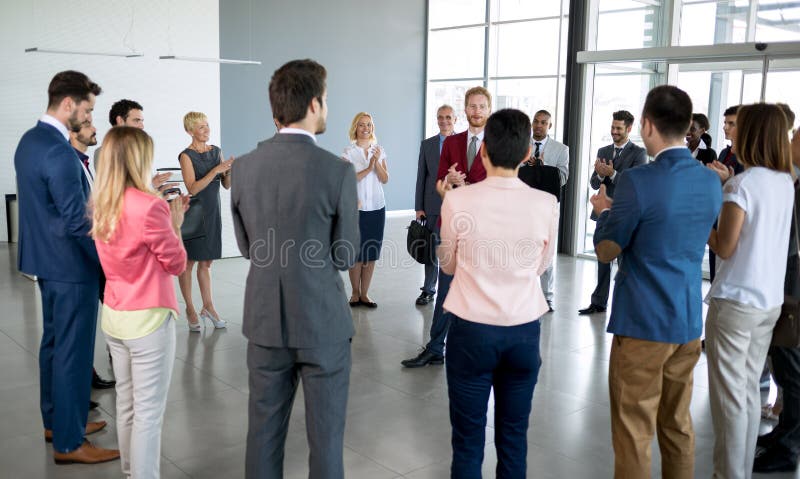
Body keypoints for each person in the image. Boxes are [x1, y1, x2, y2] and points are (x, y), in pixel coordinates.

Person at [231, 59, 359, 479]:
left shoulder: (243, 167)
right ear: (315, 103)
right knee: (326, 442)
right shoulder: (337, 171)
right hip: (323, 321)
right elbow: (345, 256)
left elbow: (248, 248)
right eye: (326, 101)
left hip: (266, 320)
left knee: (262, 435)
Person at [590, 85, 721, 478]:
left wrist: (602, 214)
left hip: (643, 325)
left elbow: (607, 250)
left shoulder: (637, 181)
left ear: (646, 125)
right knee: (677, 425)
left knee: (634, 429)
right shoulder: (710, 181)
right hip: (686, 323)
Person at [439, 108, 558, 477]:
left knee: (468, 440)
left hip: (471, 331)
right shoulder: (546, 204)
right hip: (523, 331)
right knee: (513, 437)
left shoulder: (458, 200)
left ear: (483, 151)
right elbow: (542, 265)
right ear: (527, 154)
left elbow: (447, 264)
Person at [14, 70, 119, 464]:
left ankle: (57, 421)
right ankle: (70, 443)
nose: (88, 116)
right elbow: (78, 222)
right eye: (88, 109)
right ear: (69, 104)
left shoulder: (29, 141)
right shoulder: (59, 150)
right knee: (73, 355)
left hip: (43, 261)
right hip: (71, 267)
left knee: (54, 346)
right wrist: (109, 260)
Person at [92, 126, 188, 479]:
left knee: (128, 406)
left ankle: (132, 473)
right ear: (138, 160)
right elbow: (176, 264)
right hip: (148, 320)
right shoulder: (150, 207)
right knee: (149, 413)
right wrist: (175, 223)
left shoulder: (102, 202)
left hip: (115, 316)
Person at [703, 103, 794, 479]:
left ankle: (730, 474)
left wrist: (697, 221)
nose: (733, 133)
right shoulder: (784, 180)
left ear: (753, 135)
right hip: (768, 302)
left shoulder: (743, 185)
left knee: (730, 402)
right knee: (746, 396)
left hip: (736, 303)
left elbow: (724, 246)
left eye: (740, 128)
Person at [401, 86, 492, 368]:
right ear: (464, 110)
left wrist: (465, 186)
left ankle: (477, 351)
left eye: (481, 106)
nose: (476, 111)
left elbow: (499, 188)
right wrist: (449, 183)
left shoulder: (498, 146)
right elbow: (438, 183)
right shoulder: (452, 143)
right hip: (450, 227)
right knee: (446, 288)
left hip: (482, 231)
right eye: (471, 106)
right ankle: (435, 347)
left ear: (488, 110)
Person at [754, 124, 800, 474]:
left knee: (794, 371)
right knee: (785, 366)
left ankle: (788, 449)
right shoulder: (792, 182)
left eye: (795, 138)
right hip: (783, 288)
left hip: (794, 292)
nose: (789, 143)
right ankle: (784, 434)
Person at [578, 110, 647, 315]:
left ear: (629, 129)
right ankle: (598, 302)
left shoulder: (639, 153)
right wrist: (600, 175)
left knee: (624, 262)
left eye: (619, 128)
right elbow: (593, 183)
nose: (614, 131)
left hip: (626, 215)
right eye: (613, 127)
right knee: (602, 259)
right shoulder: (603, 150)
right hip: (602, 213)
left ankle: (625, 304)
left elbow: (636, 185)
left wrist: (613, 174)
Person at [69, 120, 116, 395]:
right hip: (85, 257)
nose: (95, 128)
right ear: (73, 131)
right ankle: (80, 387)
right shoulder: (71, 165)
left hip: (96, 251)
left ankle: (88, 374)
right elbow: (77, 220)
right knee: (78, 328)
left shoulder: (84, 164)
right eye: (88, 124)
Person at [177, 111, 234, 331]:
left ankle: (208, 306)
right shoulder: (186, 156)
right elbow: (193, 188)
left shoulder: (216, 151)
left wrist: (229, 171)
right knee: (189, 263)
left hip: (213, 212)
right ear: (190, 131)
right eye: (201, 127)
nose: (206, 130)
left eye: (207, 125)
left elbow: (226, 185)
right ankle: (191, 309)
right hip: (194, 213)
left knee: (207, 262)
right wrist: (216, 170)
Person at [342, 112, 389, 308]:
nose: (366, 128)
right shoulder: (348, 152)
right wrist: (369, 167)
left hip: (377, 208)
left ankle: (365, 294)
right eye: (362, 125)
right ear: (355, 128)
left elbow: (385, 179)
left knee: (370, 253)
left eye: (369, 125)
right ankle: (354, 293)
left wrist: (376, 162)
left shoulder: (379, 150)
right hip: (356, 209)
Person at [413, 105, 455, 306]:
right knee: (431, 250)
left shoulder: (462, 143)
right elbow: (421, 177)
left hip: (457, 206)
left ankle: (452, 292)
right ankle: (429, 289)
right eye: (440, 117)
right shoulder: (427, 144)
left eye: (448, 117)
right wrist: (418, 206)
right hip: (430, 206)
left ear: (455, 119)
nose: (444, 121)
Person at [530, 109, 569, 312]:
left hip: (548, 207)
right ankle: (525, 294)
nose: (538, 125)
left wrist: (543, 168)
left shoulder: (561, 149)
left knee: (547, 253)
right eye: (536, 121)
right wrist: (525, 165)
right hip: (525, 206)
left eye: (543, 122)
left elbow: (562, 178)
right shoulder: (522, 147)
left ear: (549, 126)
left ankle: (547, 297)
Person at [95, 99, 172, 190]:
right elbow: (117, 192)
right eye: (136, 120)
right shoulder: (104, 153)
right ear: (120, 121)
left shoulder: (138, 151)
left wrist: (158, 191)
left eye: (142, 121)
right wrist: (151, 185)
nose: (142, 126)